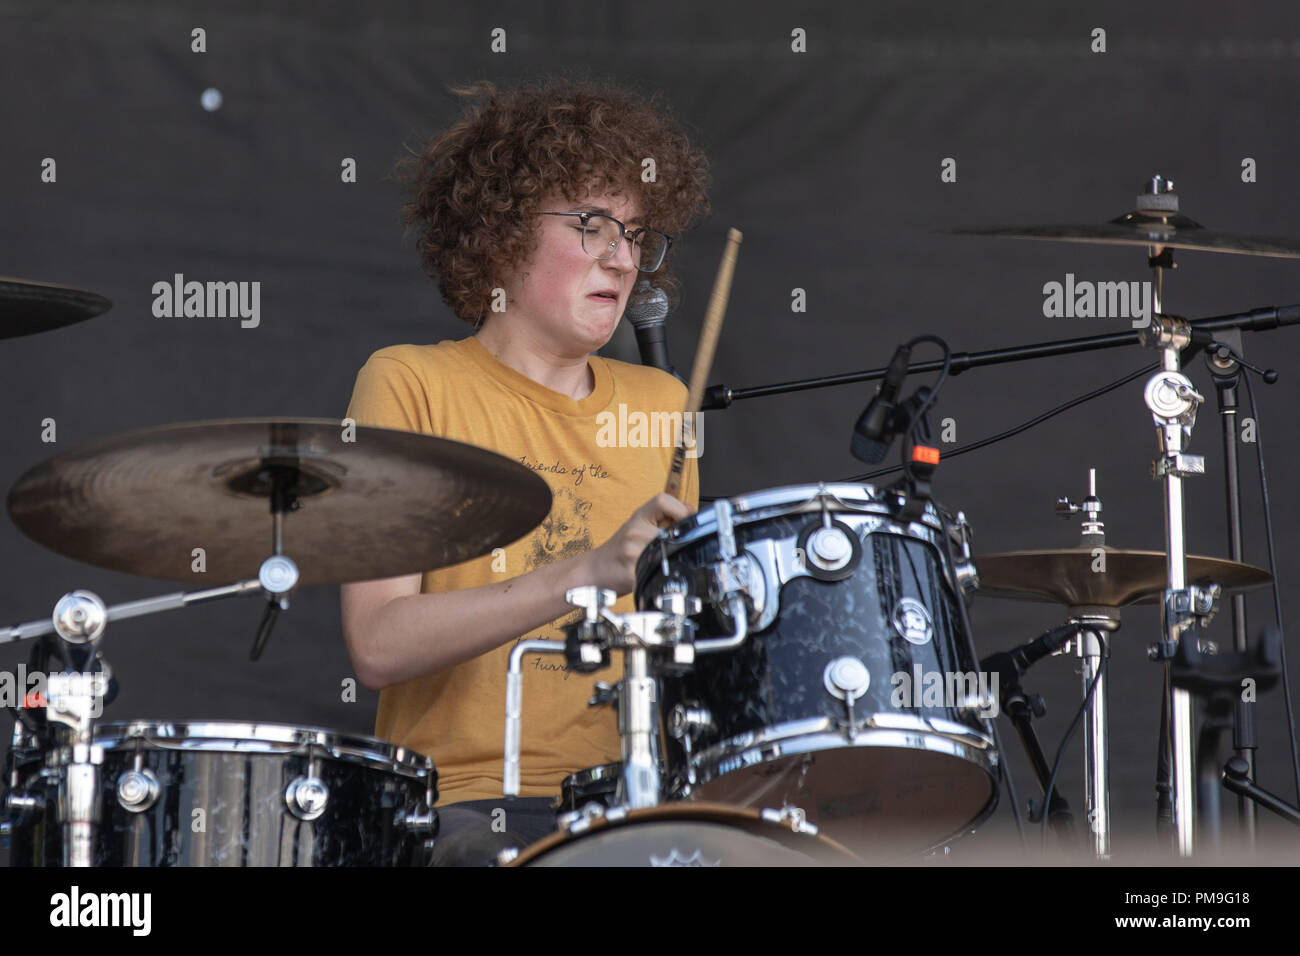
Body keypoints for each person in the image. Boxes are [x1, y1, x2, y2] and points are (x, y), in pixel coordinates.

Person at [340, 77, 710, 865]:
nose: (622, 258)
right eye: (593, 225)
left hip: (638, 797)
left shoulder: (666, 401)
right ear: (499, 232)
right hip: (464, 803)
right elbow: (377, 643)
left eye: (637, 234)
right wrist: (583, 572)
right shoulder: (410, 382)